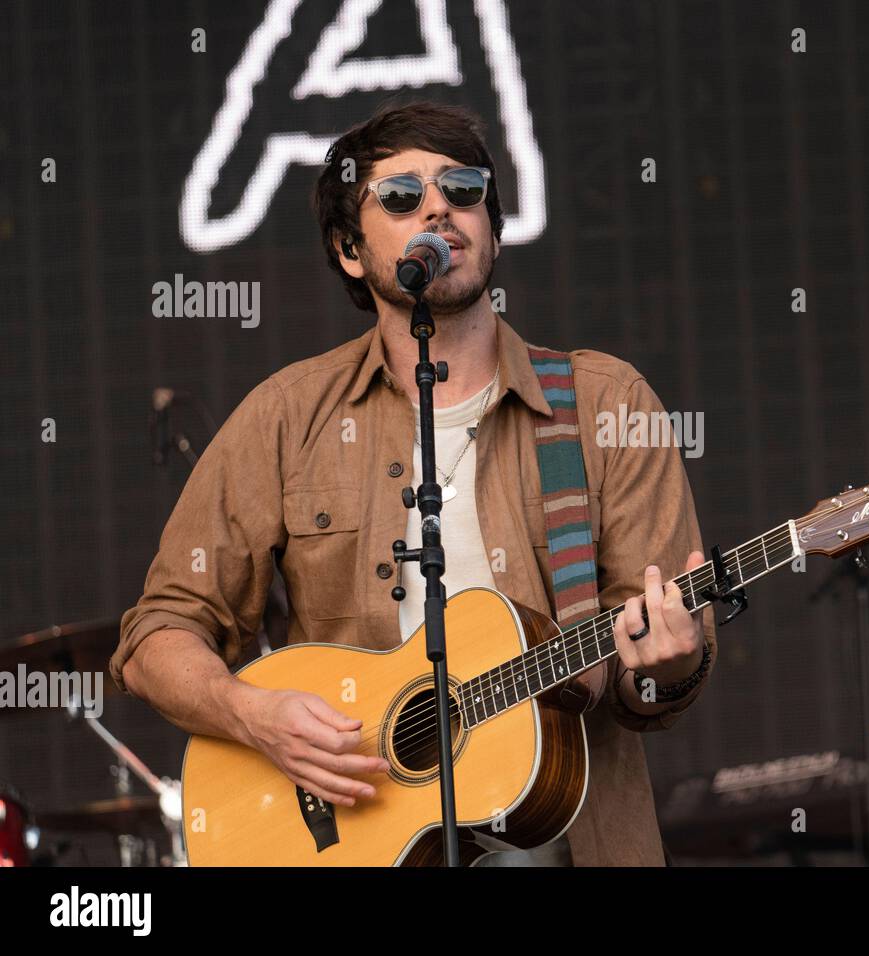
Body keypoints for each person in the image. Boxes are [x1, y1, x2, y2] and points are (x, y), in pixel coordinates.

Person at [110, 101, 717, 866]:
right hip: (359, 839)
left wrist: (669, 664)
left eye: (464, 190)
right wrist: (251, 713)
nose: (440, 207)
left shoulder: (606, 405)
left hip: (563, 839)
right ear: (351, 251)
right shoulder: (285, 417)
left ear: (492, 226)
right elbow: (157, 634)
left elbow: (655, 679)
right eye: (400, 197)